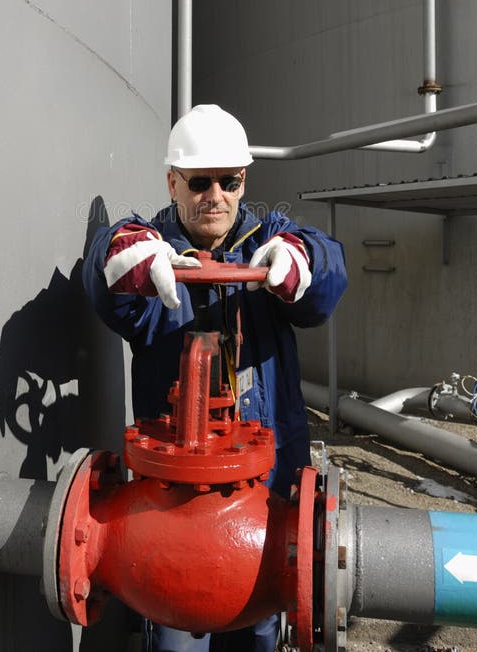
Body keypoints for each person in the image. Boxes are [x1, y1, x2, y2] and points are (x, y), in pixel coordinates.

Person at [83, 104, 347, 652]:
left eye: (230, 180)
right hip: (174, 509)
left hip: (266, 496)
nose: (217, 195)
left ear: (243, 179)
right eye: (200, 182)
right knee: (178, 633)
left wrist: (301, 263)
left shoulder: (270, 238)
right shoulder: (152, 247)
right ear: (172, 182)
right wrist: (130, 260)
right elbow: (105, 271)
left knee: (260, 630)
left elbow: (327, 271)